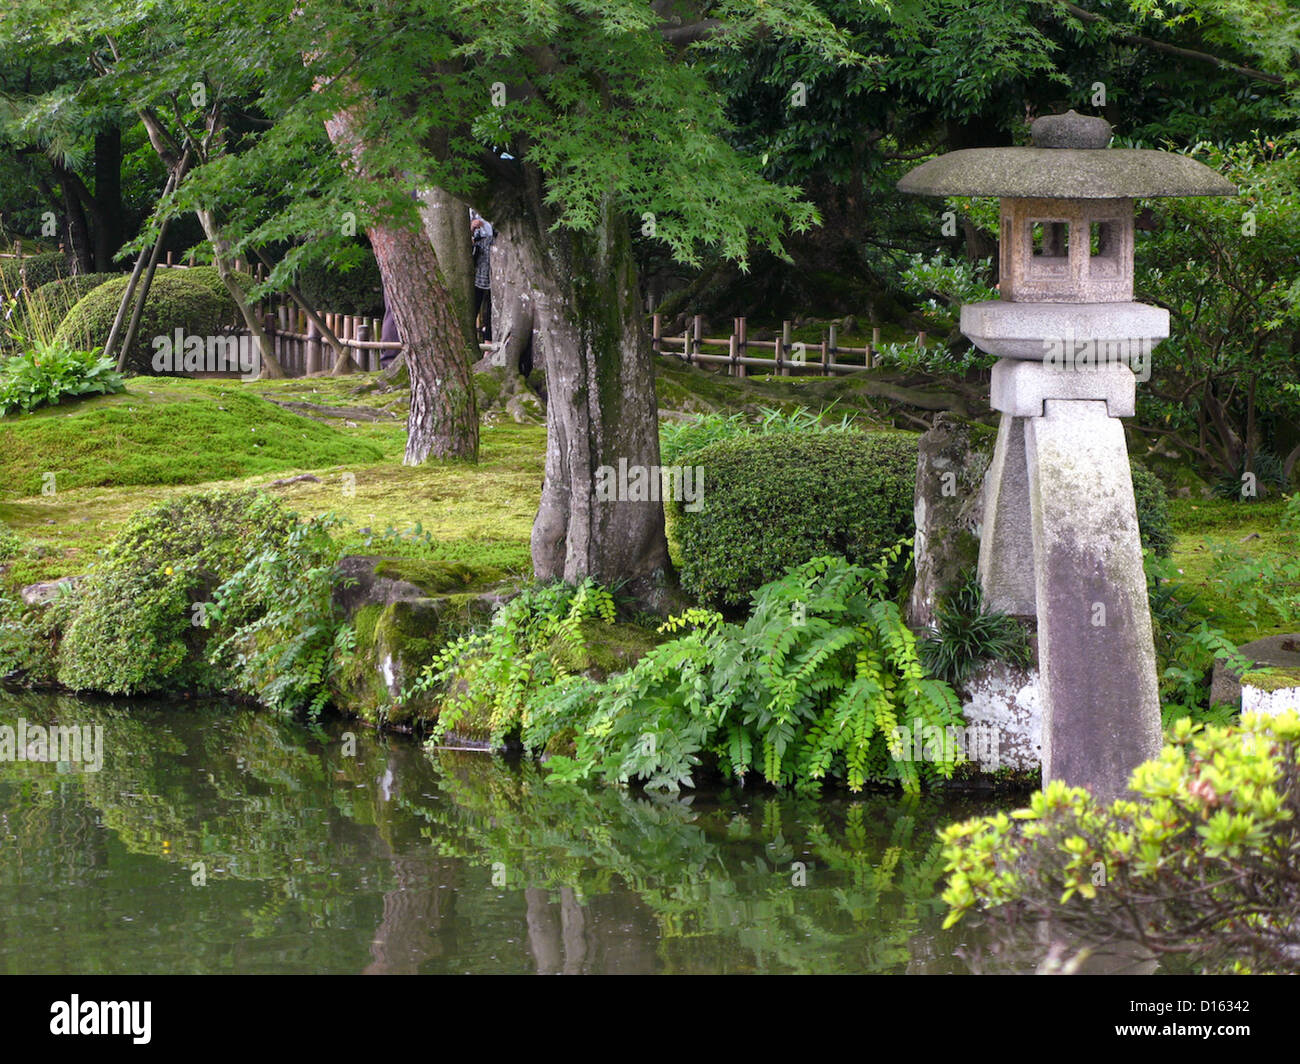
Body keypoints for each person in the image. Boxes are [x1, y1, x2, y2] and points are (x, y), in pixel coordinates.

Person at [471, 214, 494, 342]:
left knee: (492, 306)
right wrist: (472, 226)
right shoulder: (471, 213)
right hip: (478, 263)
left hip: (496, 261)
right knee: (474, 301)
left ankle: (488, 342)